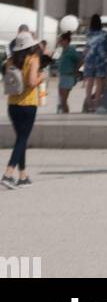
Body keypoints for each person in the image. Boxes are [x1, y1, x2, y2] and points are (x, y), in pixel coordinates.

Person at [3, 29, 42, 187]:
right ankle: (8, 173)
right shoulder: (33, 59)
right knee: (22, 139)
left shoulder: (10, 61)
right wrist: (42, 77)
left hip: (12, 104)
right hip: (28, 104)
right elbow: (32, 82)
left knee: (21, 139)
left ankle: (23, 175)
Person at [82, 14, 107, 113]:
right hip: (100, 60)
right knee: (99, 83)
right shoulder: (104, 34)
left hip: (89, 60)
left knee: (89, 82)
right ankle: (97, 103)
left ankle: (89, 103)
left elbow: (86, 47)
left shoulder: (88, 34)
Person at [55, 31, 81, 114]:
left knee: (63, 100)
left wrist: (76, 70)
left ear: (66, 41)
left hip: (68, 76)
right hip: (62, 76)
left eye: (61, 40)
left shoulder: (71, 50)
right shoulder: (63, 50)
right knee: (61, 99)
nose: (59, 42)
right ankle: (64, 113)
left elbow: (80, 60)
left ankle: (66, 114)